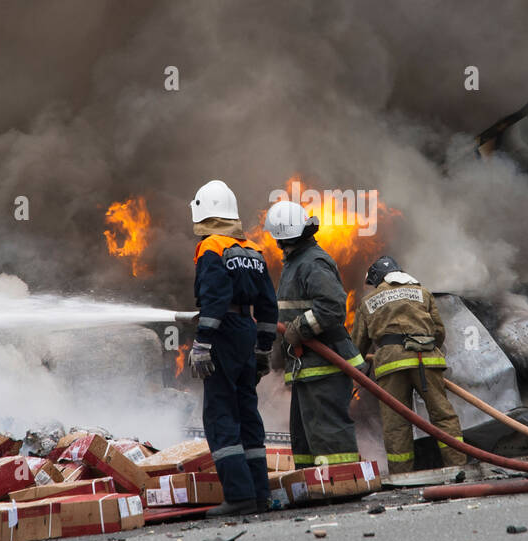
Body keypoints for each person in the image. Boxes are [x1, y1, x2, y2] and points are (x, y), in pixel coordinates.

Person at [187, 179, 279, 515]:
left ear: (204, 212)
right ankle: (259, 495)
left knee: (220, 413)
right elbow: (269, 304)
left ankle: (238, 496)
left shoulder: (210, 247)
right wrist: (263, 348)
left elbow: (214, 298)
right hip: (246, 332)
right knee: (247, 413)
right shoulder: (254, 251)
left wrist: (202, 343)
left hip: (224, 332)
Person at [263, 199, 363, 469]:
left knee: (328, 431)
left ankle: (342, 481)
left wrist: (299, 329)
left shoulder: (312, 262)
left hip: (326, 365)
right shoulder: (295, 262)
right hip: (306, 366)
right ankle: (312, 483)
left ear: (281, 237)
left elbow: (332, 307)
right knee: (305, 435)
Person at [349, 255, 467, 475]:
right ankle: (457, 466)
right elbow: (439, 331)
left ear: (377, 279)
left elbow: (357, 346)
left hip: (391, 367)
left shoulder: (368, 301)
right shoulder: (423, 292)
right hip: (427, 360)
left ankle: (402, 475)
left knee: (396, 423)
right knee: (443, 415)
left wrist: (355, 371)